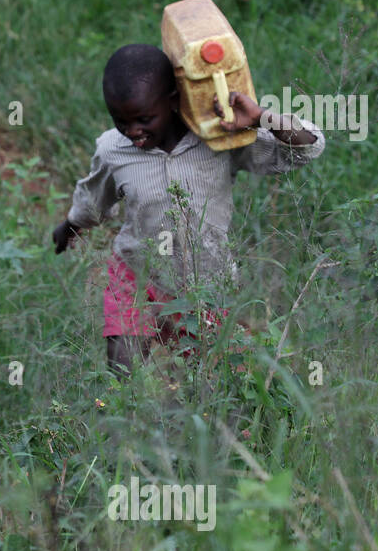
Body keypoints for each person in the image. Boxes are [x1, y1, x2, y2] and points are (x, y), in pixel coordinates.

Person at [51, 43, 325, 373]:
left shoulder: (220, 139)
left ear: (174, 100)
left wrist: (261, 118)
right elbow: (94, 197)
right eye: (120, 121)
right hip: (137, 275)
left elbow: (309, 148)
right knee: (122, 369)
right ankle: (123, 420)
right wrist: (70, 226)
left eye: (144, 119)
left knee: (209, 381)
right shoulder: (113, 149)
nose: (132, 131)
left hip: (206, 286)